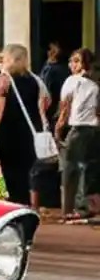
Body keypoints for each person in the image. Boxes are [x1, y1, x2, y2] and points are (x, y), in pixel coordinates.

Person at [0, 44, 49, 207]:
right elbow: (45, 102)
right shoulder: (34, 80)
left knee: (11, 176)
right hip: (29, 133)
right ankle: (25, 206)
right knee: (25, 176)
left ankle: (15, 208)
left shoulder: (3, 80)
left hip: (8, 134)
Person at [56, 48, 99, 222]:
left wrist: (58, 128)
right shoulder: (95, 84)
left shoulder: (72, 81)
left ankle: (70, 208)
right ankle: (83, 206)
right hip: (93, 129)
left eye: (76, 61)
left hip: (78, 128)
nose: (71, 65)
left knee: (70, 169)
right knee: (86, 168)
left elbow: (64, 107)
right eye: (71, 61)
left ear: (84, 63)